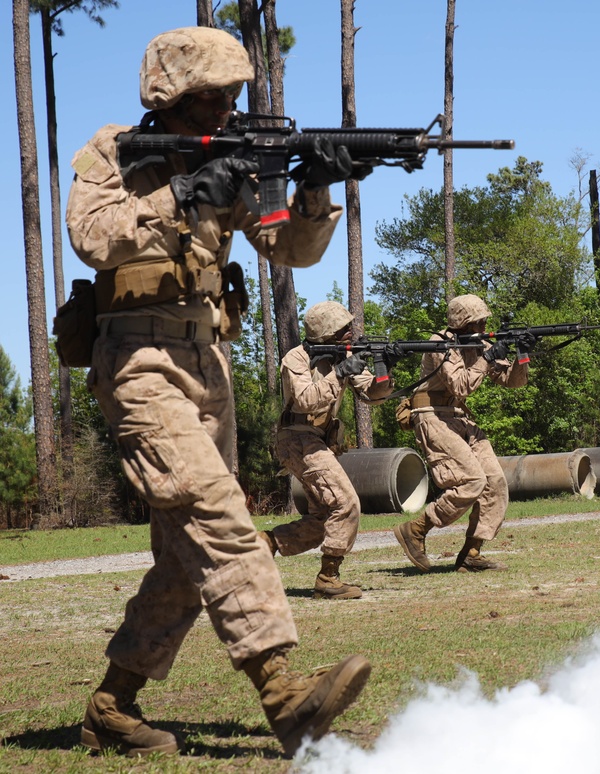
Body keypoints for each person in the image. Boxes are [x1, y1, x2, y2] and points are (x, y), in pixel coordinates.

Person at [65, 27, 370, 758]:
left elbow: (286, 250)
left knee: (184, 555)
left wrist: (314, 186)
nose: (223, 108)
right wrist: (179, 194)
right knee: (220, 514)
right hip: (138, 361)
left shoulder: (235, 159)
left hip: (209, 366)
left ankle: (111, 707)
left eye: (233, 95)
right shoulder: (113, 151)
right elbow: (90, 236)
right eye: (209, 96)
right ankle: (285, 694)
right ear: (168, 93)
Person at [259, 301, 401, 599]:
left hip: (317, 441)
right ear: (327, 333)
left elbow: (371, 395)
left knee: (322, 521)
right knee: (345, 502)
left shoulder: (344, 355)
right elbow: (305, 401)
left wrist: (384, 368)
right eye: (344, 329)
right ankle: (328, 578)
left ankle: (262, 545)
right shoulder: (296, 358)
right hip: (298, 439)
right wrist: (339, 372)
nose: (352, 332)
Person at [393, 294, 532, 572]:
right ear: (463, 323)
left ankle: (471, 552)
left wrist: (522, 354)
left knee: (494, 482)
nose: (483, 326)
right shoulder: (440, 344)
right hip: (431, 416)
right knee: (471, 480)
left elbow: (512, 381)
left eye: (484, 321)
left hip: (458, 417)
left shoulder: (479, 343)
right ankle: (417, 530)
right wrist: (488, 357)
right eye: (478, 321)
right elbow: (460, 385)